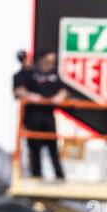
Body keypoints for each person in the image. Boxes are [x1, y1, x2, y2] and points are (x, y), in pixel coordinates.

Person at [13, 50, 68, 180]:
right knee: (34, 147)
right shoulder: (30, 73)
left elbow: (64, 91)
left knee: (52, 147)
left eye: (52, 62)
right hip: (33, 115)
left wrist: (58, 97)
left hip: (48, 115)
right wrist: (31, 96)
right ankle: (36, 175)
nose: (50, 64)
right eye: (48, 61)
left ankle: (59, 176)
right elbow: (19, 90)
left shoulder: (54, 76)